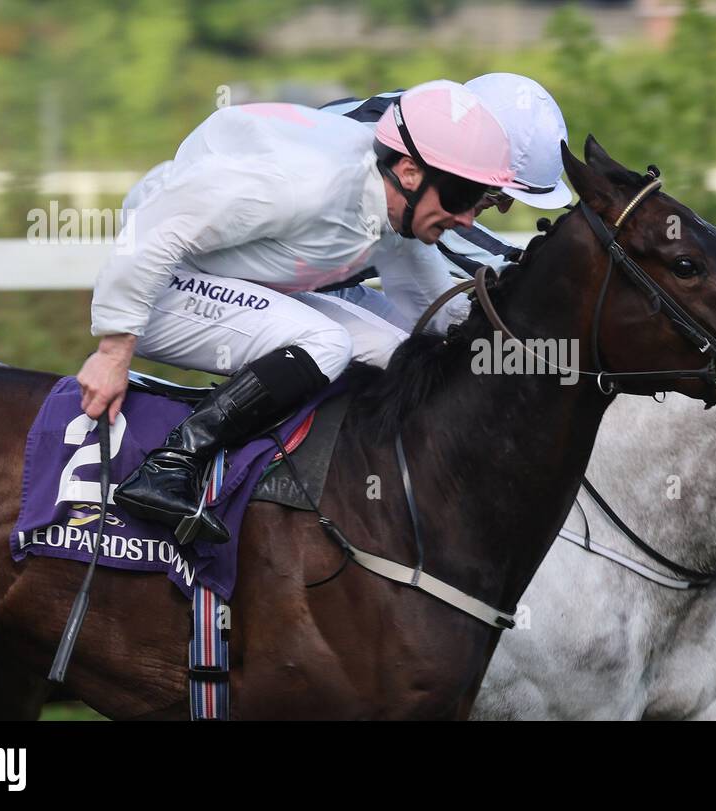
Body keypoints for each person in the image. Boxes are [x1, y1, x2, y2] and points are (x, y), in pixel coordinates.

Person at [77, 80, 522, 545]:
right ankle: (168, 467)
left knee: (397, 352)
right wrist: (113, 352)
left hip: (220, 279)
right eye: (463, 196)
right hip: (159, 286)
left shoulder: (390, 203)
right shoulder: (306, 186)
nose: (469, 219)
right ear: (410, 171)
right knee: (327, 343)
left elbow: (441, 317)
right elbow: (155, 232)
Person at [317, 73, 572, 327]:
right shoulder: (387, 147)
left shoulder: (418, 118)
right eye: (498, 194)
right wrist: (537, 267)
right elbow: (456, 237)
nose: (503, 209)